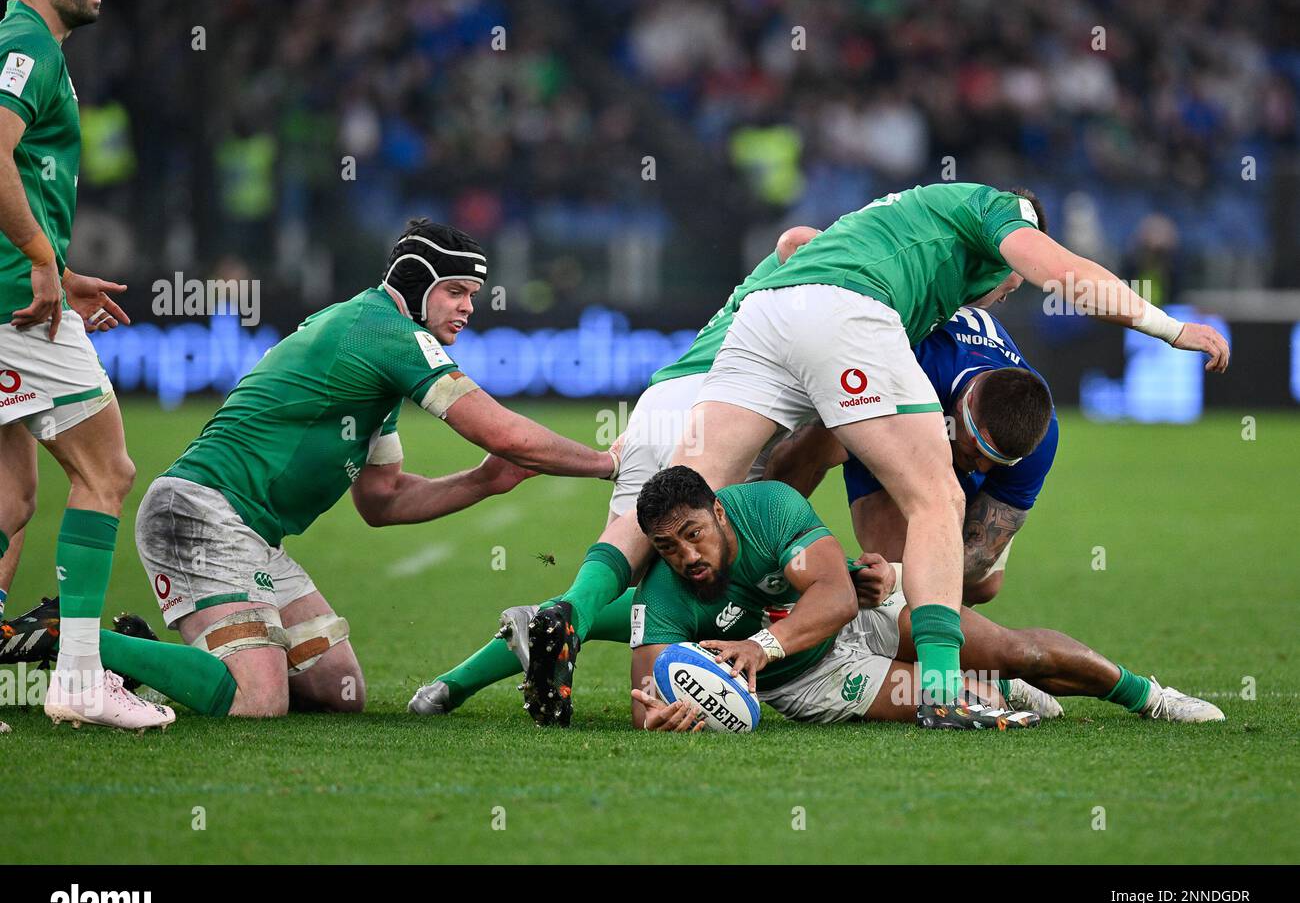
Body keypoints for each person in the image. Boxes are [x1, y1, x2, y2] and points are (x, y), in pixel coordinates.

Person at [529, 182, 1230, 728]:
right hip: (843, 312)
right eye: (1009, 279)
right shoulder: (995, 211)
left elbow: (798, 238)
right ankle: (946, 691)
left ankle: (571, 611)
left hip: (768, 311)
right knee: (939, 498)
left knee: (685, 488)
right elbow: (1068, 275)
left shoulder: (905, 224)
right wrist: (1169, 327)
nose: (1007, 288)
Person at [131, 219, 622, 718]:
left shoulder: (376, 351)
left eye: (473, 294)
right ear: (415, 282)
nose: (469, 307)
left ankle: (147, 660)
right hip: (199, 515)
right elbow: (505, 434)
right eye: (455, 291)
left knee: (338, 690)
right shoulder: (388, 332)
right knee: (258, 701)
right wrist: (608, 463)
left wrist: (484, 481)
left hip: (249, 536)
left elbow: (381, 501)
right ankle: (75, 640)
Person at [408, 226, 821, 724]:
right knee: (694, 594)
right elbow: (797, 239)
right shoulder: (849, 286)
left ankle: (457, 682)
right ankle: (563, 630)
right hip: (726, 407)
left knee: (643, 596)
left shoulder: (753, 297)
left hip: (660, 408)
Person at [628, 466, 1224, 731]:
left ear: (721, 512)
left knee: (1014, 649)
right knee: (961, 706)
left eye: (694, 534)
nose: (687, 556)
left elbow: (836, 595)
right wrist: (661, 713)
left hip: (861, 612)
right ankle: (1000, 689)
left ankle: (1150, 697)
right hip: (808, 679)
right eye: (669, 546)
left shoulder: (766, 507)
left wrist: (759, 646)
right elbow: (646, 687)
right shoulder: (664, 593)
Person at [0, 0, 172, 729]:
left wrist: (59, 268)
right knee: (108, 472)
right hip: (18, 306)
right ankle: (77, 678)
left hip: (22, 290)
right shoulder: (25, 41)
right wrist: (41, 262)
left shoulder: (35, 44)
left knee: (9, 497)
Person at [765, 305, 1057, 605]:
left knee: (980, 586)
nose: (983, 467)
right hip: (897, 417)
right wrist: (767, 536)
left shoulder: (1042, 436)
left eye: (1000, 462)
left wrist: (896, 576)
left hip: (943, 429)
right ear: (961, 408)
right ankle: (761, 561)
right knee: (900, 562)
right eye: (978, 449)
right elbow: (803, 454)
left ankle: (916, 625)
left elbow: (980, 552)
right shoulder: (912, 371)